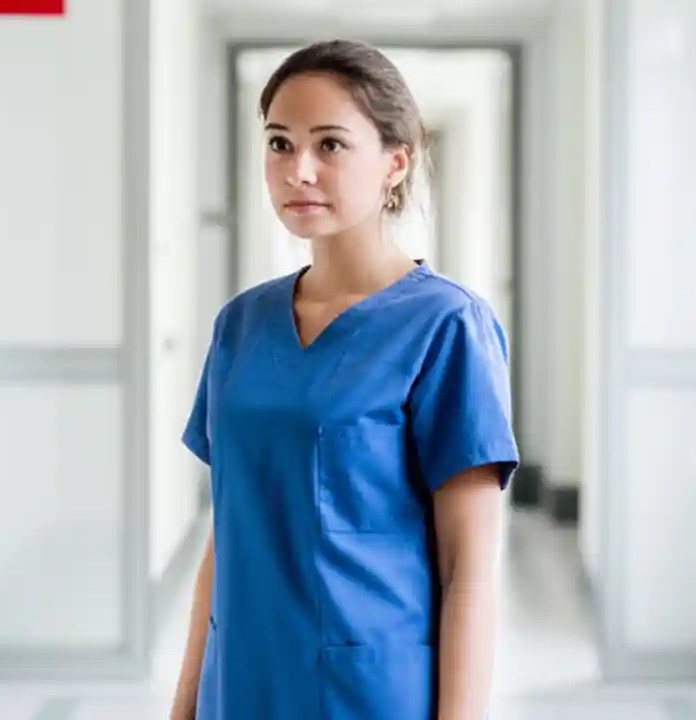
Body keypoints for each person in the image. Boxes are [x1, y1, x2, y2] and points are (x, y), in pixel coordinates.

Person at [169, 39, 520, 720]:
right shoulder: (241, 325)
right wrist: (186, 703)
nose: (299, 170)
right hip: (241, 682)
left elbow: (468, 570)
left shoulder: (446, 326)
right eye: (279, 144)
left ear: (395, 162)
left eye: (330, 145)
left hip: (368, 690)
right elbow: (230, 530)